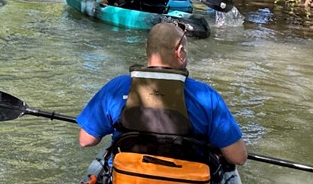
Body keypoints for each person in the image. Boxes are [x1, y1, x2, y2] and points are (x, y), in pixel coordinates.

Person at [76, 22, 247, 166]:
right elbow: (238, 157)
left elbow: (85, 140)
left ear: (147, 49)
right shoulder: (206, 97)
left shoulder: (116, 87)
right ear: (180, 52)